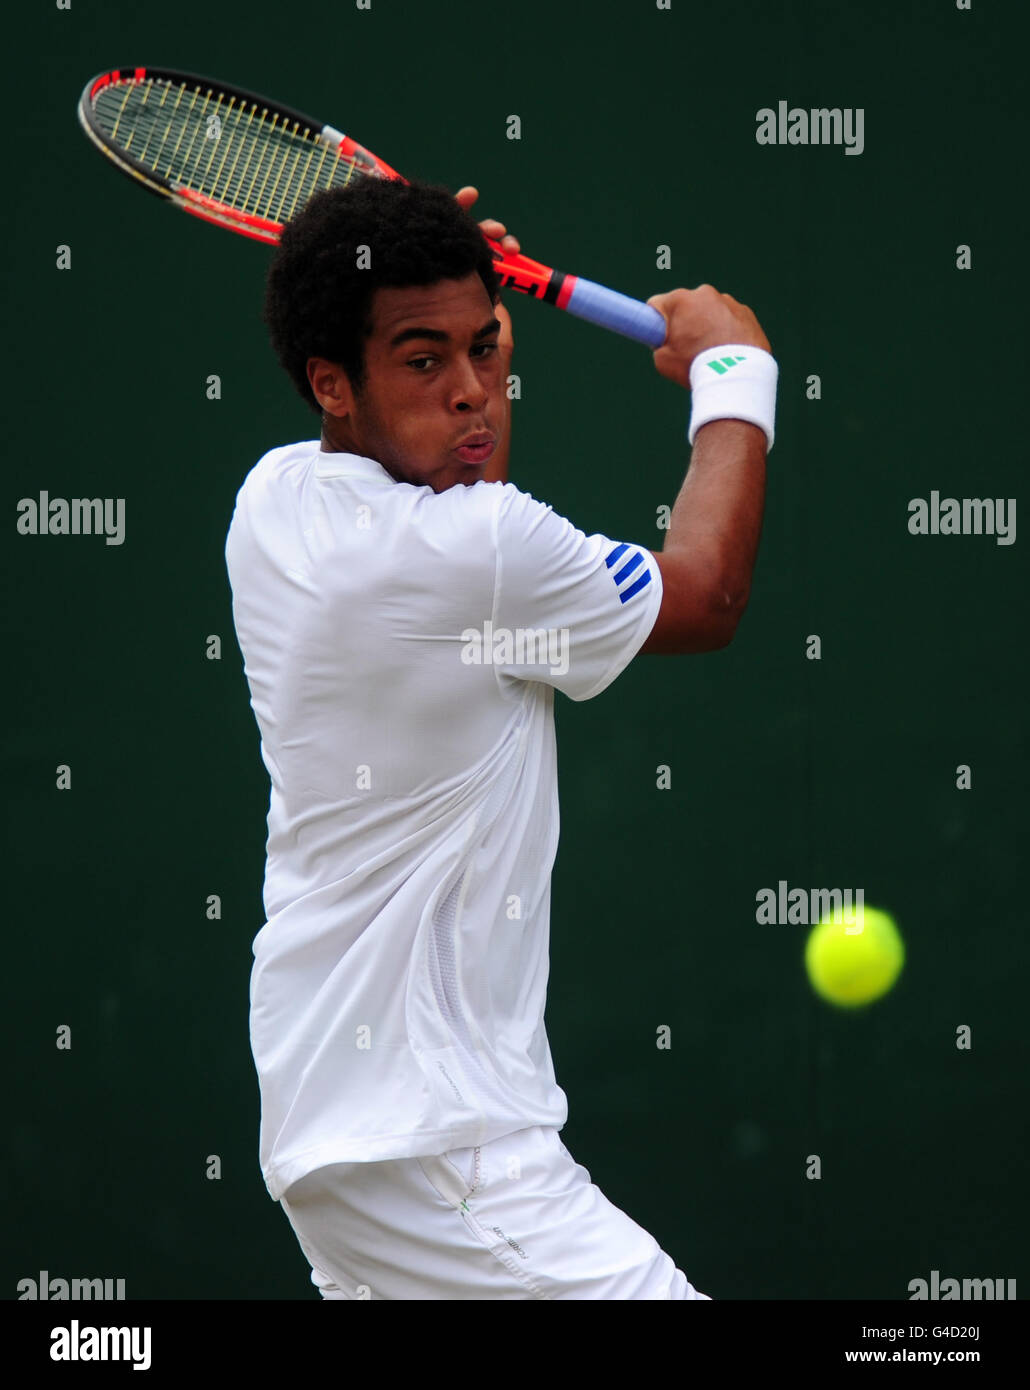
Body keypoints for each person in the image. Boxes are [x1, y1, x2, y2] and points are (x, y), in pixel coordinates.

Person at [224, 175, 776, 1299]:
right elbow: (706, 595)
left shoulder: (273, 500)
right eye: (424, 361)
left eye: (487, 347)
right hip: (442, 1143)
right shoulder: (474, 553)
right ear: (331, 382)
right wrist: (735, 375)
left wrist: (445, 313)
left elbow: (469, 531)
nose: (476, 393)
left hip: (341, 1131)